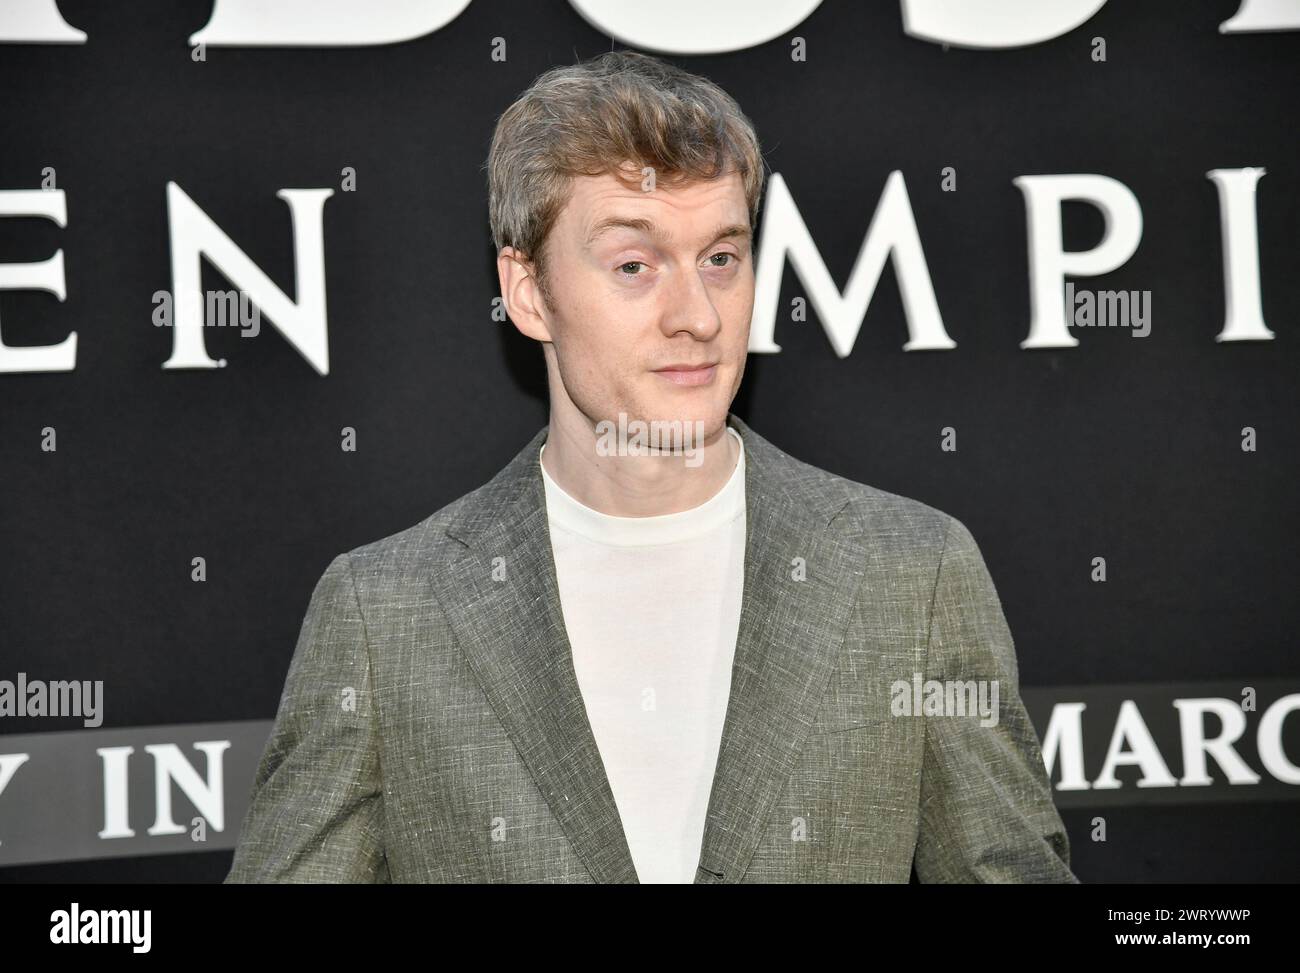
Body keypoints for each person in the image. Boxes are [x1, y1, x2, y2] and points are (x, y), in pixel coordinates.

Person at [226, 50, 1075, 884]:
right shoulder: (385, 615)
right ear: (528, 292)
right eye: (635, 265)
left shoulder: (913, 576)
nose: (697, 316)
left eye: (721, 258)